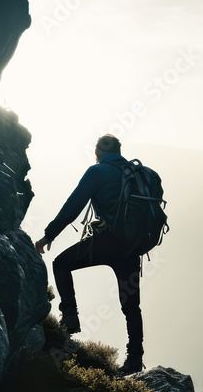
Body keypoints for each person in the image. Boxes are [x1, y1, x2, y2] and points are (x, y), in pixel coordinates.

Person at [35, 135, 145, 375]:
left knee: (61, 264)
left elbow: (73, 207)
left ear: (98, 152)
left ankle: (70, 319)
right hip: (133, 246)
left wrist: (48, 236)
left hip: (106, 242)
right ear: (119, 151)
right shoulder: (137, 174)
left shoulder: (97, 172)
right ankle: (135, 359)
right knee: (131, 306)